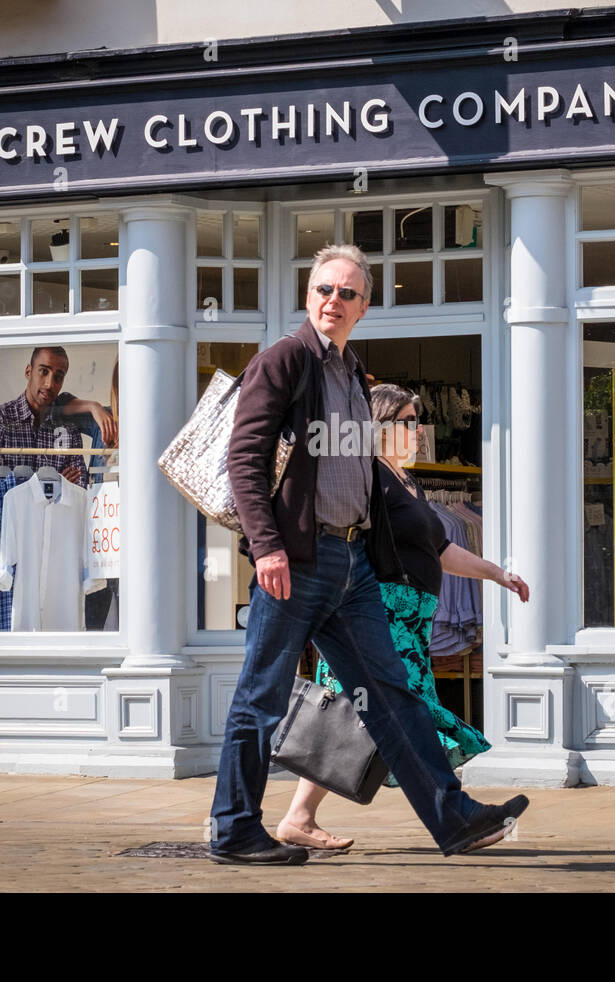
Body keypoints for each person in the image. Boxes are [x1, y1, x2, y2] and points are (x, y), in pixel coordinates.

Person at [209, 243, 528, 866]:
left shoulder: (355, 375)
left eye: (347, 293)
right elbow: (243, 462)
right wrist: (267, 546)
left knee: (391, 694)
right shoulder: (282, 363)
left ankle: (454, 817)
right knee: (262, 696)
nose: (334, 300)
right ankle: (234, 828)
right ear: (309, 296)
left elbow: (359, 473)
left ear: (365, 305)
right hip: (296, 564)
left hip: (350, 566)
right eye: (324, 289)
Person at [275, 383, 529, 850]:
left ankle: (300, 817)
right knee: (393, 712)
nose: (416, 432)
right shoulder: (365, 476)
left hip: (412, 620)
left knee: (365, 715)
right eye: (406, 422)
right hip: (380, 617)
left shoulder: (405, 482)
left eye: (418, 422)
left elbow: (440, 549)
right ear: (377, 426)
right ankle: (456, 814)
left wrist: (496, 574)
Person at [0, 346, 114, 486]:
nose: (49, 384)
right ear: (28, 372)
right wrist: (55, 484)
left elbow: (79, 488)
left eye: (58, 377)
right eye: (43, 371)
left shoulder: (68, 428)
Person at [52, 359, 120, 630]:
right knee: (94, 624)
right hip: (102, 539)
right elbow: (57, 406)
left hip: (135, 540)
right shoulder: (102, 421)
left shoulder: (152, 426)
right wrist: (93, 407)